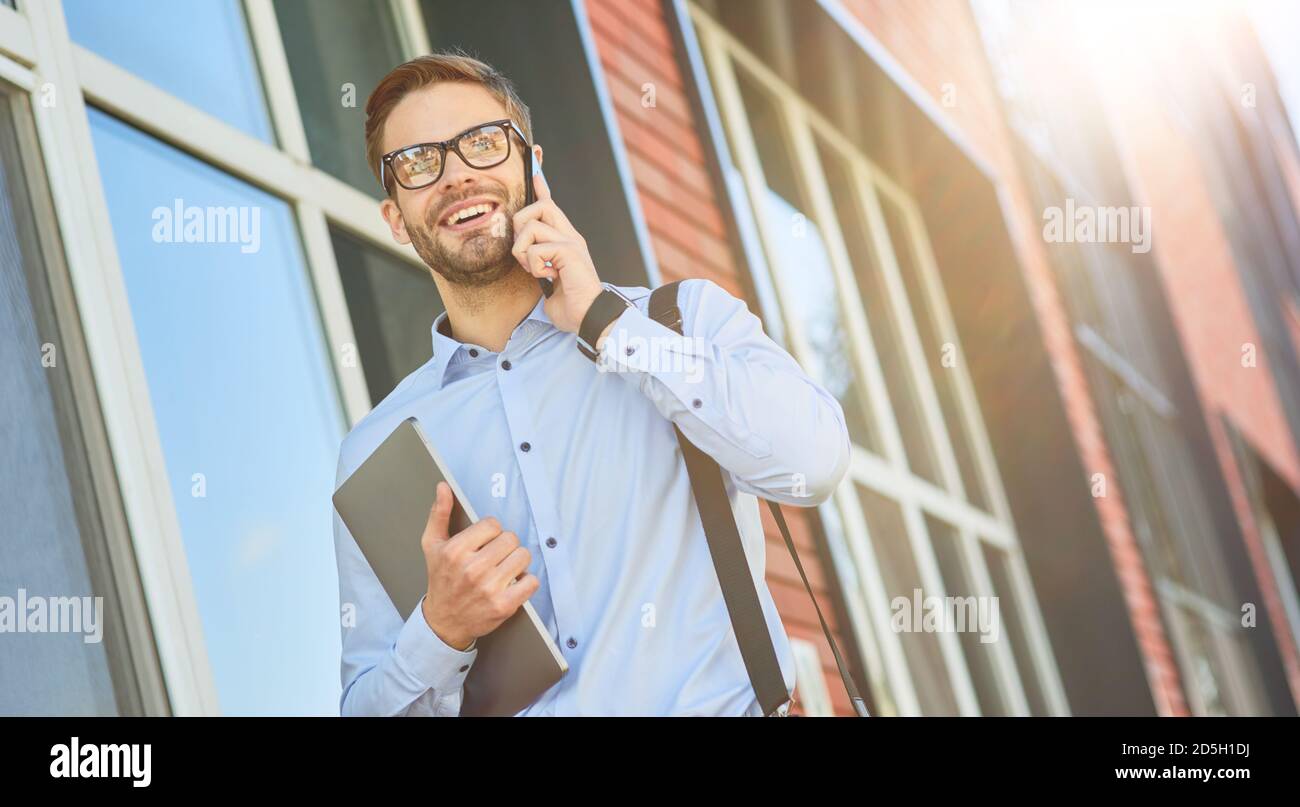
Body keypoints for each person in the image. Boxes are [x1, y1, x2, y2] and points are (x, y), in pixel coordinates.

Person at [332, 52, 851, 716]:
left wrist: (609, 324)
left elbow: (814, 462)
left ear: (533, 166)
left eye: (483, 144)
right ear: (397, 218)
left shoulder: (680, 320)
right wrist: (439, 630)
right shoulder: (376, 452)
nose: (458, 174)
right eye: (419, 162)